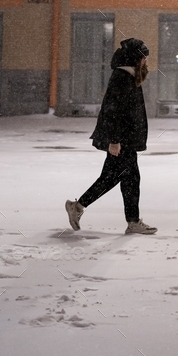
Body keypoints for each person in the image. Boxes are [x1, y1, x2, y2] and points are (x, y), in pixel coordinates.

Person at [65, 38, 157, 235]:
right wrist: (114, 140)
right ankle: (78, 207)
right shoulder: (122, 78)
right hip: (122, 140)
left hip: (126, 139)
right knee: (113, 178)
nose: (146, 62)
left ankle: (130, 221)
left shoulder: (128, 76)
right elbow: (113, 111)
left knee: (126, 178)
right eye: (144, 58)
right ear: (135, 59)